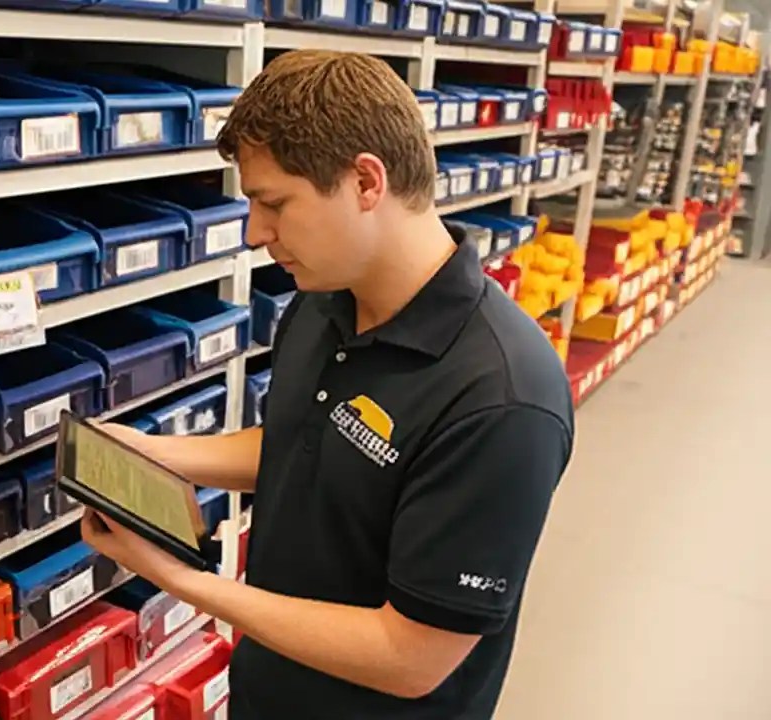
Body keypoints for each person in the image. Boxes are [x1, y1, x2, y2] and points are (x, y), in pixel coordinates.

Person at [80, 49, 574, 719]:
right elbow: (305, 442)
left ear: (366, 182)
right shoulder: (321, 300)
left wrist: (181, 580)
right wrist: (152, 456)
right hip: (269, 690)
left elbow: (411, 659)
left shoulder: (504, 399)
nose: (256, 233)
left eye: (273, 203)